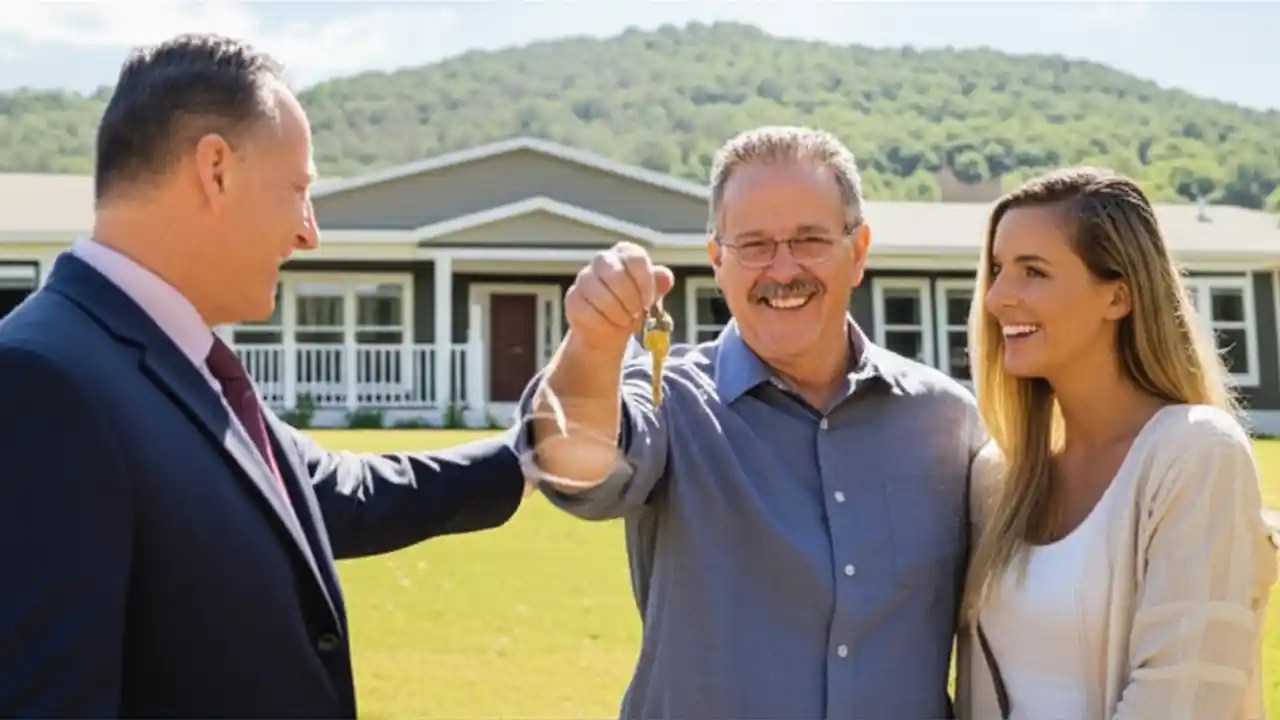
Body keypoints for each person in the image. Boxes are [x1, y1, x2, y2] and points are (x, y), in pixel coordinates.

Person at [0, 34, 527, 718]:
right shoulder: (43, 382)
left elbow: (337, 492)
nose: (310, 232)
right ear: (215, 169)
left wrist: (532, 450)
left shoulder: (178, 362)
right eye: (299, 190)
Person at [513, 125, 987, 719]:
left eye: (810, 239)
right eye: (755, 245)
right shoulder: (670, 398)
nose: (782, 269)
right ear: (717, 259)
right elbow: (571, 467)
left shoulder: (946, 420)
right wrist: (591, 342)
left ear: (859, 250)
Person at [954, 167, 1278, 719]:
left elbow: (1185, 700)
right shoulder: (998, 476)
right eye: (998, 269)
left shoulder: (1194, 454)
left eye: (1033, 271)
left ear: (1119, 296)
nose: (998, 298)